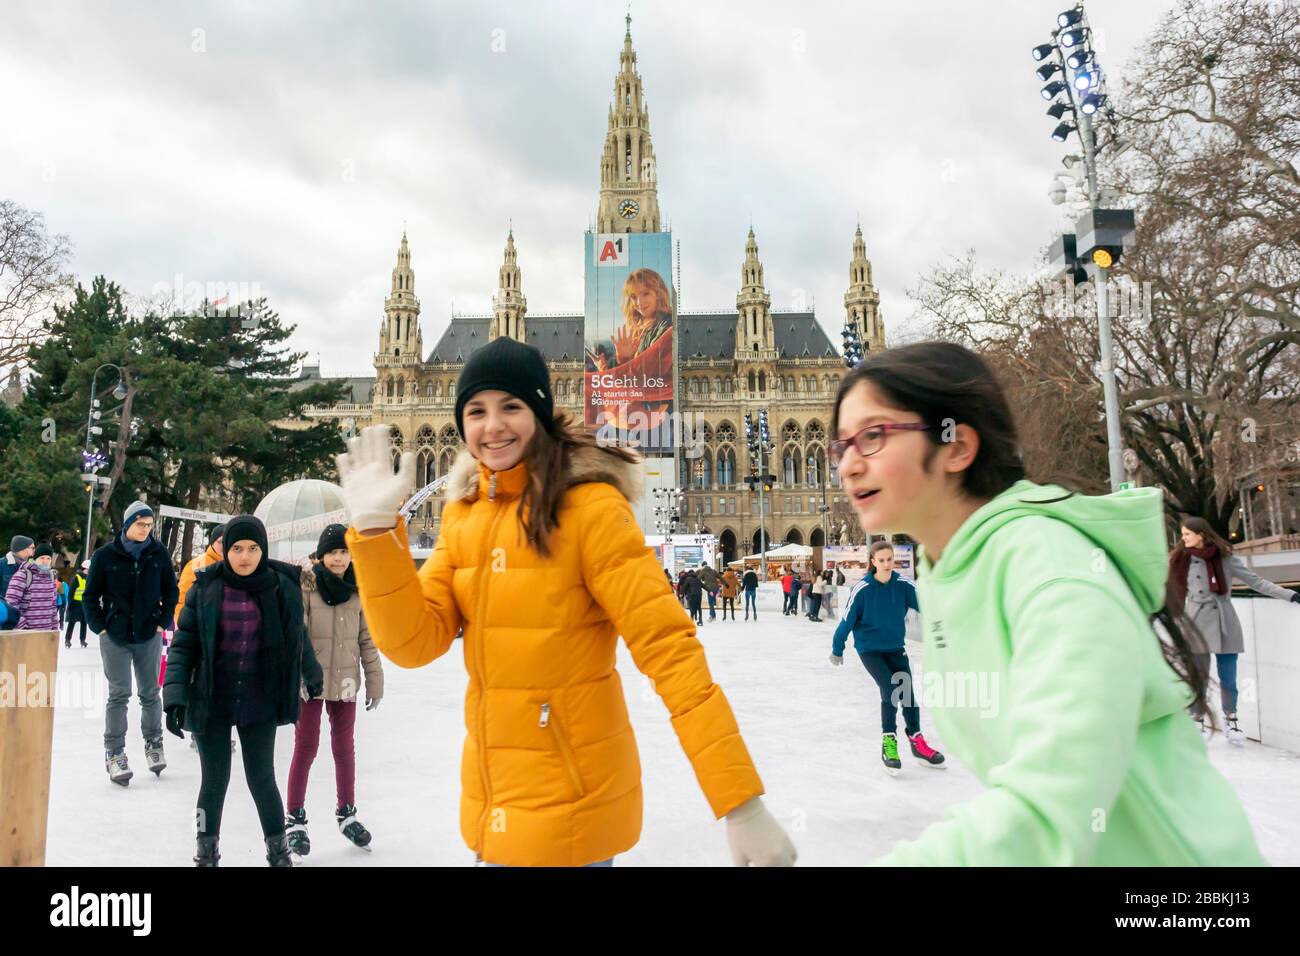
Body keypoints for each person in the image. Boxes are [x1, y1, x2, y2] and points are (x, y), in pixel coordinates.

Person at [336, 336, 796, 867]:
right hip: (497, 811)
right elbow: (414, 643)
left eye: (512, 406)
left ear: (541, 413)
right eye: (476, 410)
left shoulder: (591, 509)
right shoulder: (463, 515)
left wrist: (738, 801)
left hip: (576, 813)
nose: (493, 426)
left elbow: (670, 652)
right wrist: (374, 536)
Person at [833, 341, 1263, 864]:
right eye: (843, 445)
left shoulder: (1049, 565)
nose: (848, 466)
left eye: (873, 436)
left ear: (957, 447)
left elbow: (1054, 800)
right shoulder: (948, 568)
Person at [162, 515, 324, 867]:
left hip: (259, 698)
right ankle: (205, 850)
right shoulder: (205, 588)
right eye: (237, 548)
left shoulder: (280, 587)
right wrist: (174, 695)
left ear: (263, 550)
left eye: (253, 548)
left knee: (262, 778)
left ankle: (278, 850)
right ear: (226, 551)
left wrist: (311, 673)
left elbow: (297, 638)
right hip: (213, 698)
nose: (245, 556)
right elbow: (184, 646)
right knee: (213, 780)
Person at [285, 523, 384, 859]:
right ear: (322, 555)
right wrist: (300, 675)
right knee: (307, 746)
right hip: (311, 681)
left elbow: (367, 638)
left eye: (344, 551)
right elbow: (297, 636)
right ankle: (295, 818)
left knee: (345, 748)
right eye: (333, 552)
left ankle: (347, 813)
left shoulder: (359, 587)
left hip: (345, 681)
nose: (339, 558)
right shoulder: (308, 584)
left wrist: (374, 679)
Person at [1170, 516, 1300, 744]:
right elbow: (1167, 590)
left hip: (1224, 622)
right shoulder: (1181, 560)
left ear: (1200, 535)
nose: (1184, 539)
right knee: (1198, 677)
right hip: (1196, 624)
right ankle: (1197, 720)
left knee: (1228, 679)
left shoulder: (1225, 559)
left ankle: (1232, 721)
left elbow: (1256, 582)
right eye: (1183, 535)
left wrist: (1291, 595)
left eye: (1187, 534)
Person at [83, 502, 179, 785]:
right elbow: (90, 596)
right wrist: (100, 627)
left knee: (150, 692)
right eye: (140, 524)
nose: (145, 529)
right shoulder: (105, 556)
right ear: (127, 524)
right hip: (115, 636)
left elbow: (170, 591)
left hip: (148, 634)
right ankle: (115, 752)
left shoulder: (158, 553)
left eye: (149, 525)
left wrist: (162, 621)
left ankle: (154, 743)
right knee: (119, 693)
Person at [831, 541, 943, 774]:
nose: (886, 564)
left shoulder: (903, 585)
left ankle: (916, 740)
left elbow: (928, 607)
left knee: (908, 693)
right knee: (890, 689)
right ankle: (889, 743)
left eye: (889, 559)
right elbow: (846, 622)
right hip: (870, 650)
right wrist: (837, 648)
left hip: (895, 648)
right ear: (873, 562)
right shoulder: (862, 589)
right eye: (881, 560)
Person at [3, 542, 59, 632]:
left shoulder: (51, 578)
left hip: (46, 634)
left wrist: (54, 629)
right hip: (26, 634)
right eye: (42, 558)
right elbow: (11, 603)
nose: (45, 561)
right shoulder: (22, 575)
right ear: (35, 559)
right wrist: (23, 627)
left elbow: (53, 606)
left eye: (48, 558)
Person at [1, 534, 35, 631]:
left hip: (24, 620)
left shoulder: (30, 568)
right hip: (5, 618)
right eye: (32, 548)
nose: (33, 553)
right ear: (23, 548)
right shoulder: (2, 565)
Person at [64, 559, 90, 647]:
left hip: (84, 604)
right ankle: (67, 640)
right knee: (72, 622)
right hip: (75, 604)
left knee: (84, 623)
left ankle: (83, 640)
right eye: (88, 570)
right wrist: (70, 604)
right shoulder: (77, 577)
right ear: (84, 569)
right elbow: (71, 592)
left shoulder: (89, 578)